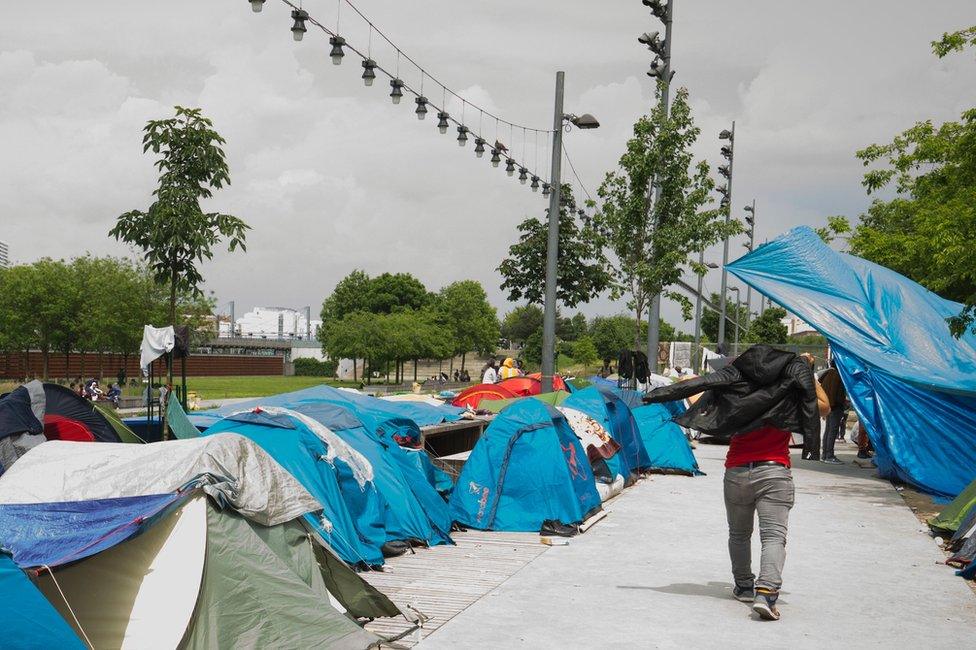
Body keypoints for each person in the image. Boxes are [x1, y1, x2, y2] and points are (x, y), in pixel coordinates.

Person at [643, 345, 825, 621]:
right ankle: (766, 593)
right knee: (773, 536)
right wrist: (806, 373)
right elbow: (824, 406)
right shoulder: (790, 393)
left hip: (737, 471)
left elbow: (694, 392)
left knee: (739, 534)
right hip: (774, 470)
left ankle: (744, 587)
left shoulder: (733, 391)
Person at [818, 359, 847, 464]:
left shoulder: (827, 374)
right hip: (835, 407)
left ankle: (824, 455)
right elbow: (834, 392)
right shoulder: (836, 375)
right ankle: (829, 456)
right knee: (832, 431)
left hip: (829, 406)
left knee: (828, 430)